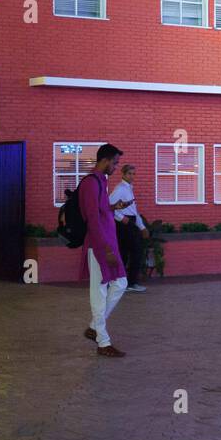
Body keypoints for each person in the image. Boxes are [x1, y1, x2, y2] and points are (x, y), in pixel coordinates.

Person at [79, 143, 128, 357]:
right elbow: (92, 219)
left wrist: (112, 207)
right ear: (105, 160)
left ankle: (94, 326)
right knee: (99, 291)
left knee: (120, 283)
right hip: (99, 245)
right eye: (115, 163)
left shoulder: (101, 181)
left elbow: (99, 211)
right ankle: (103, 342)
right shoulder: (91, 183)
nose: (116, 167)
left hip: (107, 243)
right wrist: (105, 249)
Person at [110, 163, 148, 293]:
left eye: (133, 174)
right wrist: (121, 218)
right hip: (124, 224)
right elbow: (108, 206)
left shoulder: (129, 188)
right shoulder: (120, 188)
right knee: (128, 252)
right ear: (123, 174)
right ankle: (126, 282)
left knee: (130, 252)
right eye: (129, 174)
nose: (132, 176)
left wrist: (142, 227)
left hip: (130, 221)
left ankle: (126, 282)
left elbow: (134, 210)